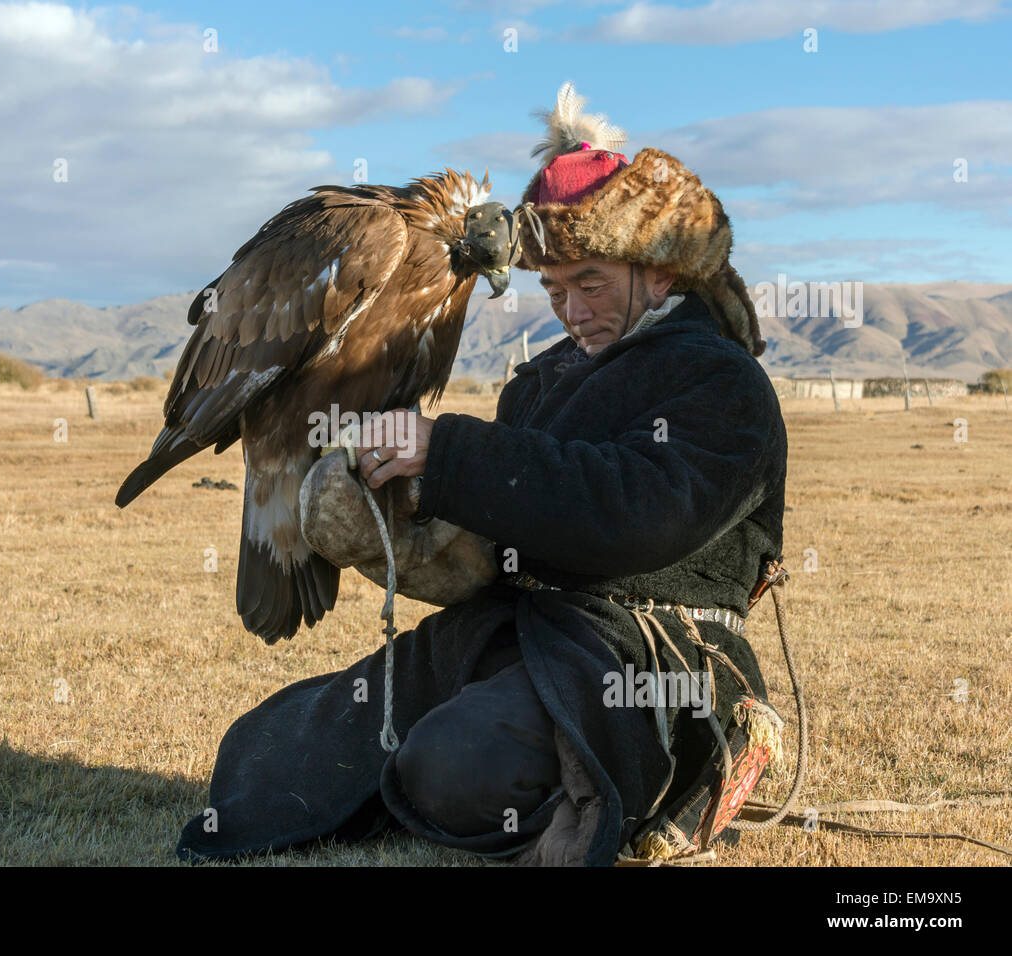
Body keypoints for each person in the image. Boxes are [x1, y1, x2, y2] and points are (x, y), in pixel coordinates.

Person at [176, 84, 789, 865]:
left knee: (456, 769)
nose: (570, 311)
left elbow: (637, 513)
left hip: (652, 659)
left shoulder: (721, 382)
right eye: (555, 289)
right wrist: (405, 511)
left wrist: (452, 453)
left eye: (590, 284)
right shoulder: (544, 381)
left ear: (660, 272)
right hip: (524, 630)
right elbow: (518, 519)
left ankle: (705, 765)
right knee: (261, 758)